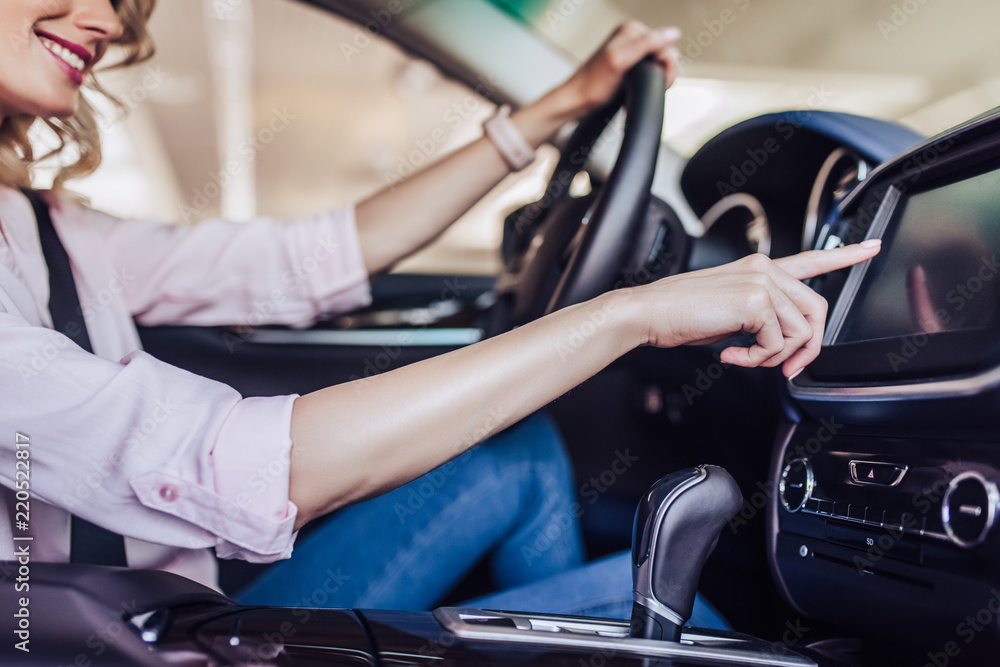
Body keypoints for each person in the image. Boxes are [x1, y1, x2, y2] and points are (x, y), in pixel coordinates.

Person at [0, 0, 880, 624]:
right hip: (121, 642)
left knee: (518, 451)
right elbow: (231, 467)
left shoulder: (46, 225)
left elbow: (311, 259)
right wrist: (630, 314)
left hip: (179, 602)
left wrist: (555, 110)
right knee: (704, 622)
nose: (108, 21)